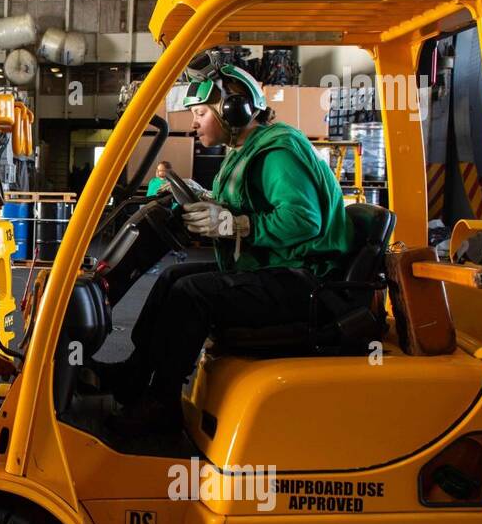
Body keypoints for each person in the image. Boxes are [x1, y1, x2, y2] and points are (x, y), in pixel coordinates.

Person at [93, 64, 354, 434]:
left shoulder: (277, 151)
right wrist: (202, 197)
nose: (195, 123)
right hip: (273, 267)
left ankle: (162, 402)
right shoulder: (244, 149)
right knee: (171, 278)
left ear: (234, 110)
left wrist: (239, 225)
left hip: (305, 281)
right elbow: (244, 201)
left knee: (191, 294)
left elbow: (302, 220)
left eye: (200, 113)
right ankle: (136, 373)